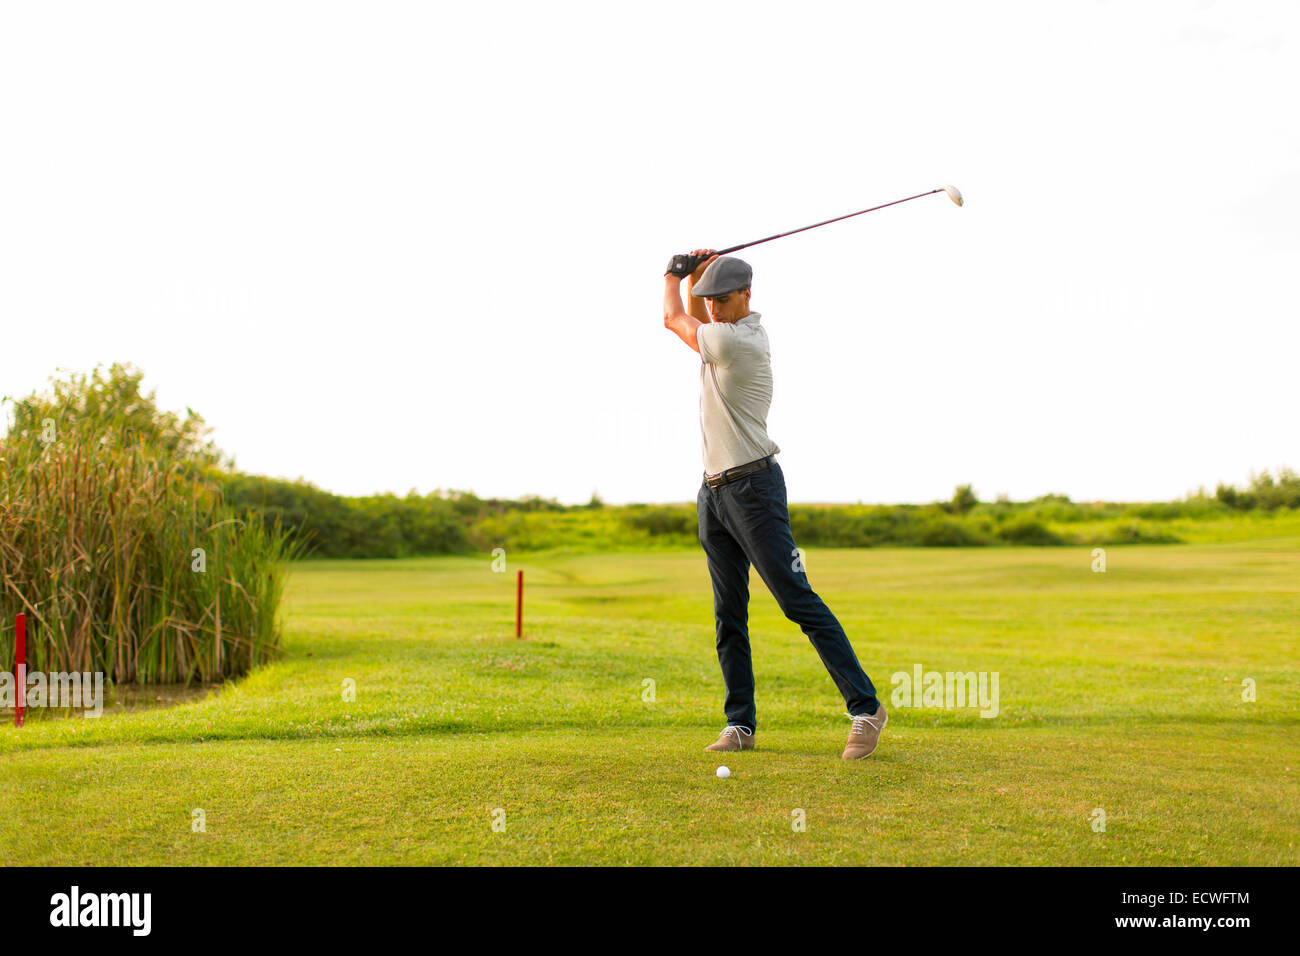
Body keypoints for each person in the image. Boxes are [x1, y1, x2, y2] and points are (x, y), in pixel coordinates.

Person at [662, 249, 887, 759]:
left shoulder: (740, 342)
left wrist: (673, 275)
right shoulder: (722, 334)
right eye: (710, 302)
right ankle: (739, 724)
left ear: (747, 295)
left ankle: (866, 709)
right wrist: (700, 272)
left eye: (722, 300)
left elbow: (675, 318)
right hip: (713, 492)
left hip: (753, 492)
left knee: (797, 601)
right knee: (729, 614)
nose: (714, 310)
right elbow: (696, 314)